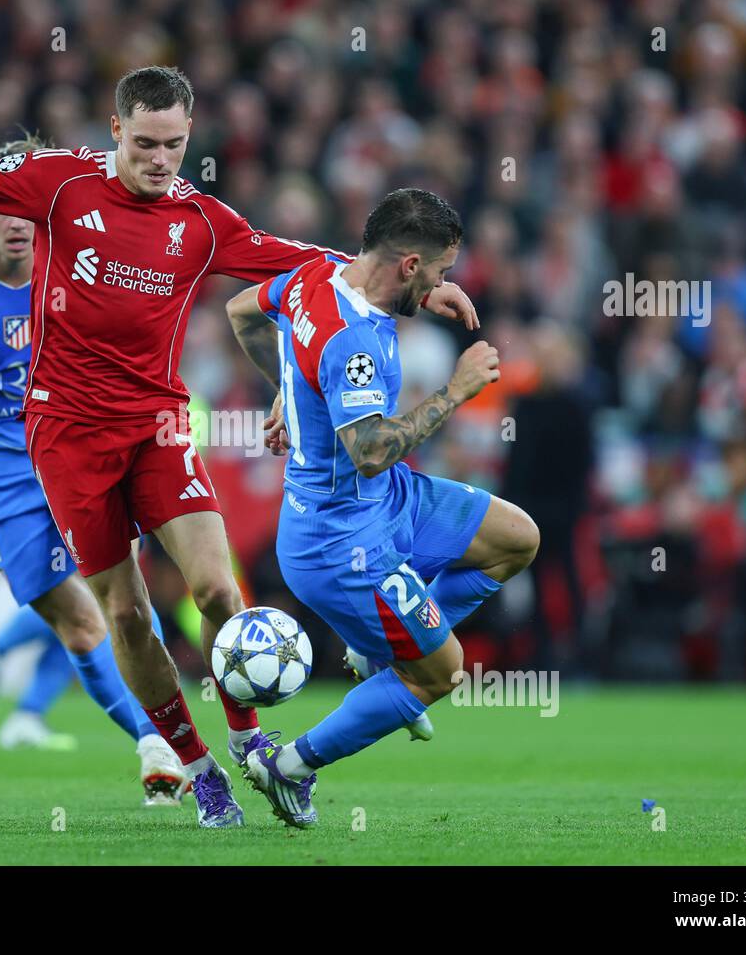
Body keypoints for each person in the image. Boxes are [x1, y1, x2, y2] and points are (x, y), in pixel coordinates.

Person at [0, 66, 475, 827]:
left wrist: (410, 284)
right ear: (115, 132)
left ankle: (249, 742)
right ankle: (200, 771)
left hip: (159, 424)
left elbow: (302, 262)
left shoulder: (202, 220)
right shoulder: (59, 186)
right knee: (128, 616)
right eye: (145, 142)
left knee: (216, 591)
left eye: (174, 144)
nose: (160, 159)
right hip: (67, 438)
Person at [225, 188, 540, 826]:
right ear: (407, 264)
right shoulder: (356, 342)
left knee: (517, 538)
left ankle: (389, 651)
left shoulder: (315, 273)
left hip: (390, 500)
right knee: (442, 674)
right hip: (339, 542)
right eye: (438, 271)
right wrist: (457, 389)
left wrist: (289, 390)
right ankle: (287, 768)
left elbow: (241, 312)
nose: (444, 282)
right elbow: (370, 449)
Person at [0, 139, 186, 801]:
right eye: (1, 203)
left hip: (87, 453)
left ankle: (163, 744)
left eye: (27, 204)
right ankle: (153, 740)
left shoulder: (83, 268)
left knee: (125, 610)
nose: (16, 219)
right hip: (6, 481)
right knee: (82, 622)